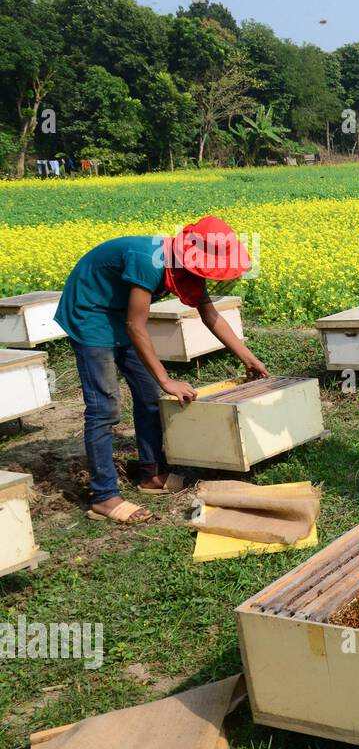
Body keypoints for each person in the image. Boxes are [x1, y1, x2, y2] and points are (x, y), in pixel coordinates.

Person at [54, 216, 269, 524]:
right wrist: (167, 378)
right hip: (89, 311)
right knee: (104, 407)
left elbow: (211, 317)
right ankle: (103, 496)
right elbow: (135, 324)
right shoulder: (148, 261)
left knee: (148, 396)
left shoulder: (185, 266)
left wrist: (248, 357)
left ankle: (150, 474)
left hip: (119, 312)